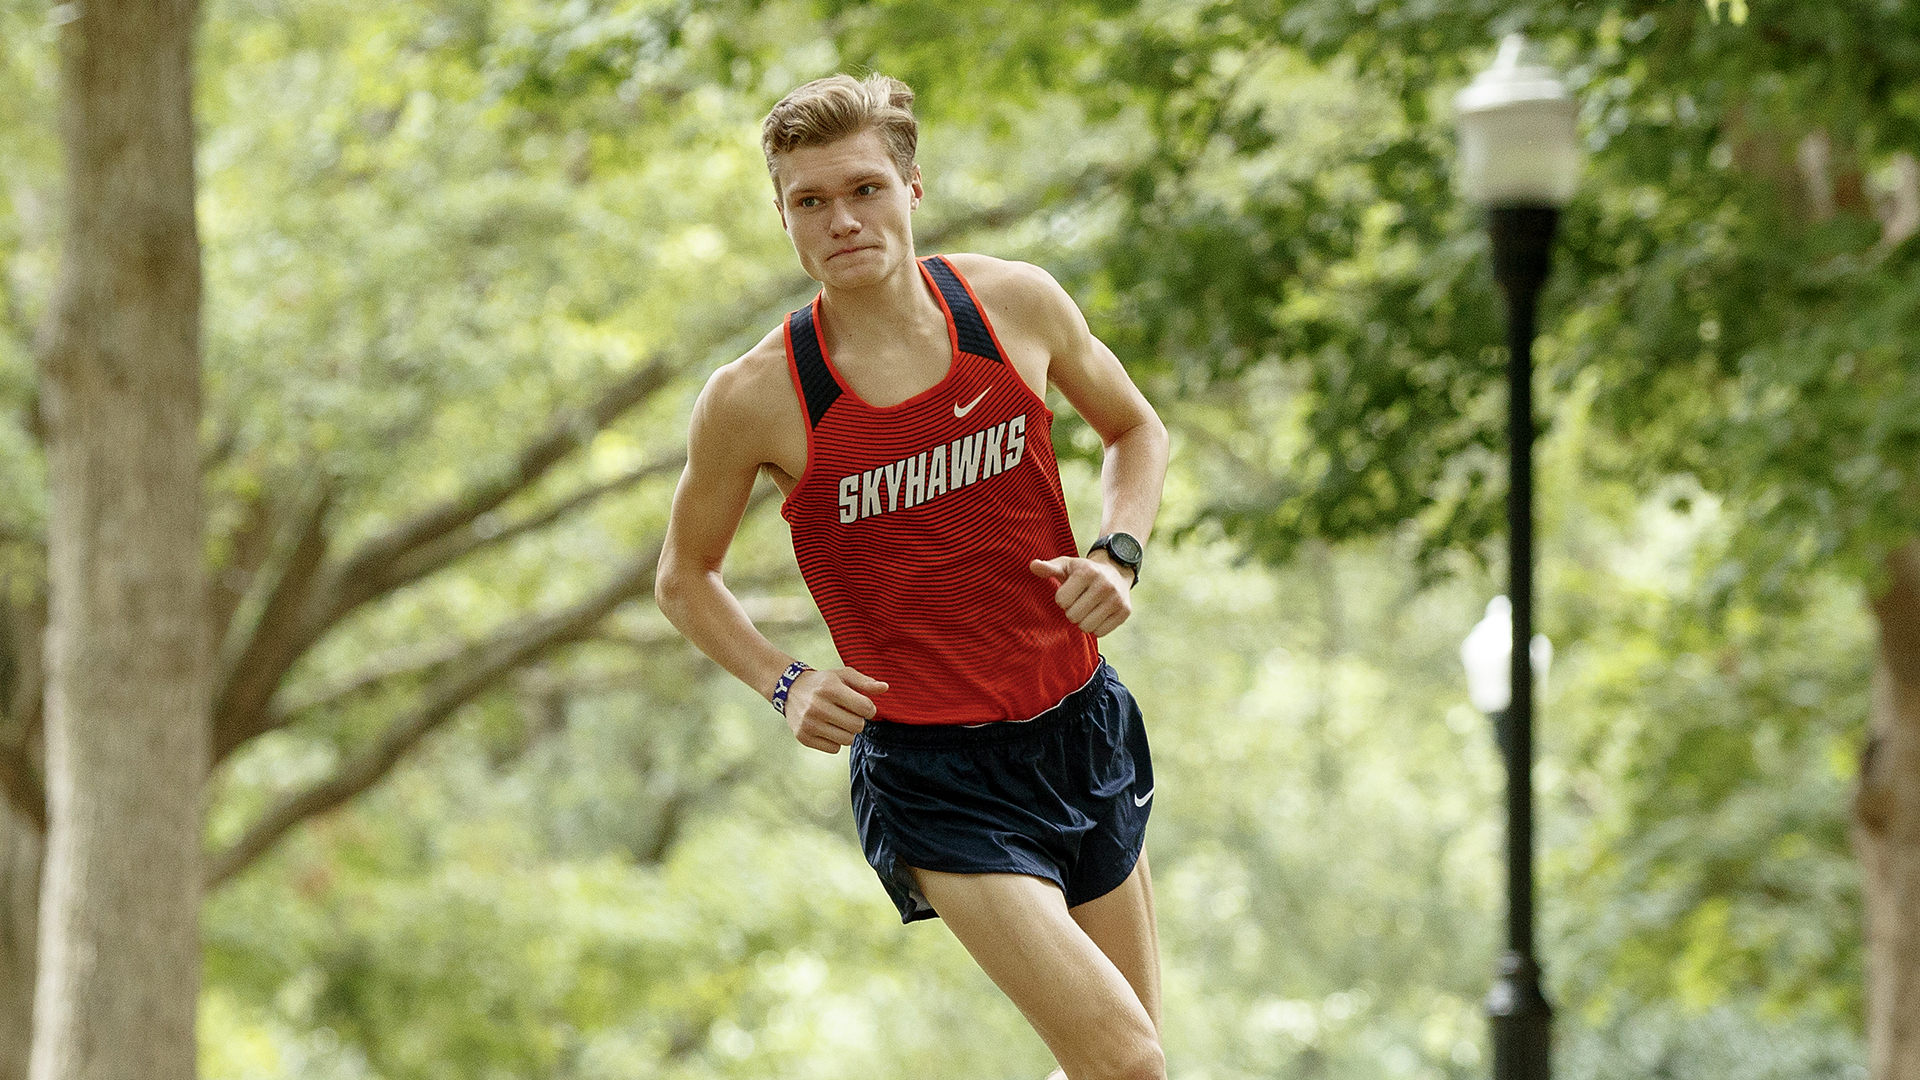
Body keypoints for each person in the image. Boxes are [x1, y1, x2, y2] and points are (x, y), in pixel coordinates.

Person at [655, 72, 1170, 1080]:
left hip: (1081, 723)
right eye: (810, 201)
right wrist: (785, 681)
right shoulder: (757, 395)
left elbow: (1134, 429)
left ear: (912, 188)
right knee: (1127, 1062)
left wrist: (1118, 552)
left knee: (1120, 1070)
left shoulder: (1013, 305)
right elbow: (685, 577)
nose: (842, 221)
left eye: (864, 190)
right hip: (937, 775)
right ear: (782, 217)